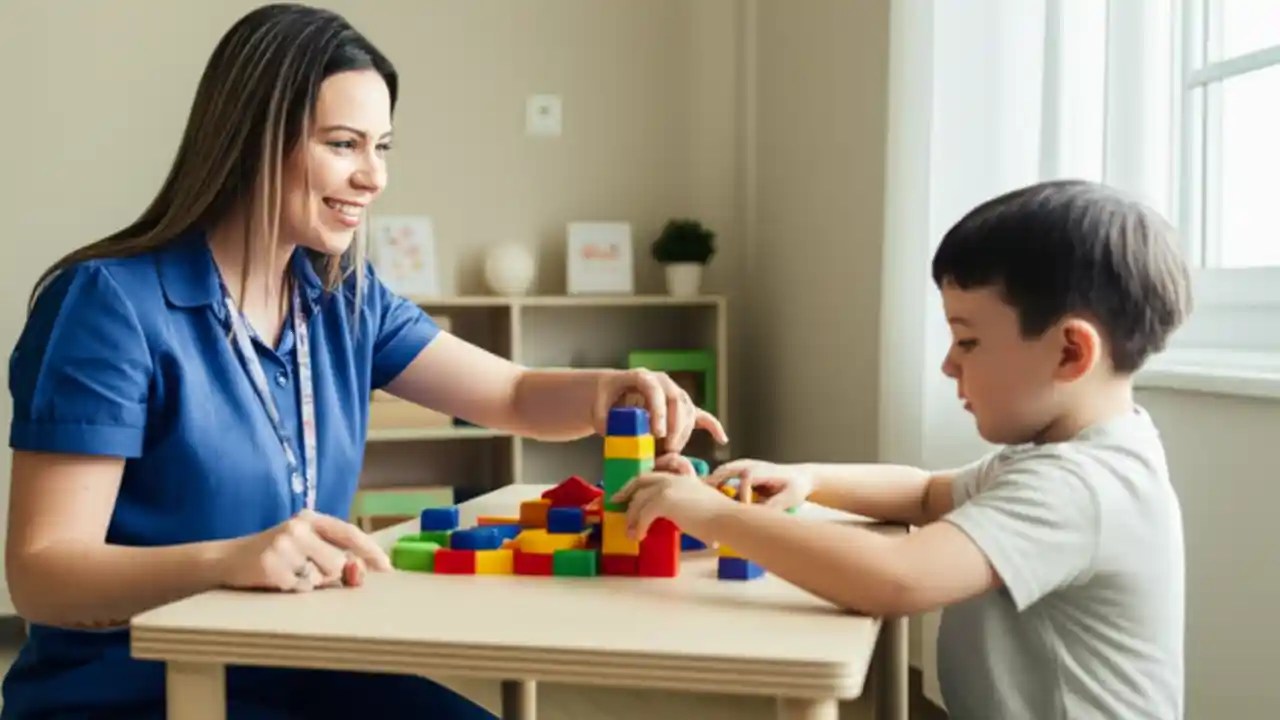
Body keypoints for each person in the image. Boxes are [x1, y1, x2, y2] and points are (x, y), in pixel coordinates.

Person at [2, 4, 726, 719]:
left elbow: (510, 395)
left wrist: (612, 390)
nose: (373, 177)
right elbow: (42, 573)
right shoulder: (110, 306)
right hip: (131, 688)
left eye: (383, 148)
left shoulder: (344, 298)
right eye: (344, 144)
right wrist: (227, 562)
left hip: (302, 663)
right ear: (252, 140)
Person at [615, 180, 1190, 719]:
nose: (948, 363)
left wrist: (713, 514)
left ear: (1069, 353)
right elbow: (924, 493)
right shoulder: (1064, 455)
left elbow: (898, 579)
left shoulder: (1080, 486)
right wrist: (807, 478)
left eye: (968, 340)